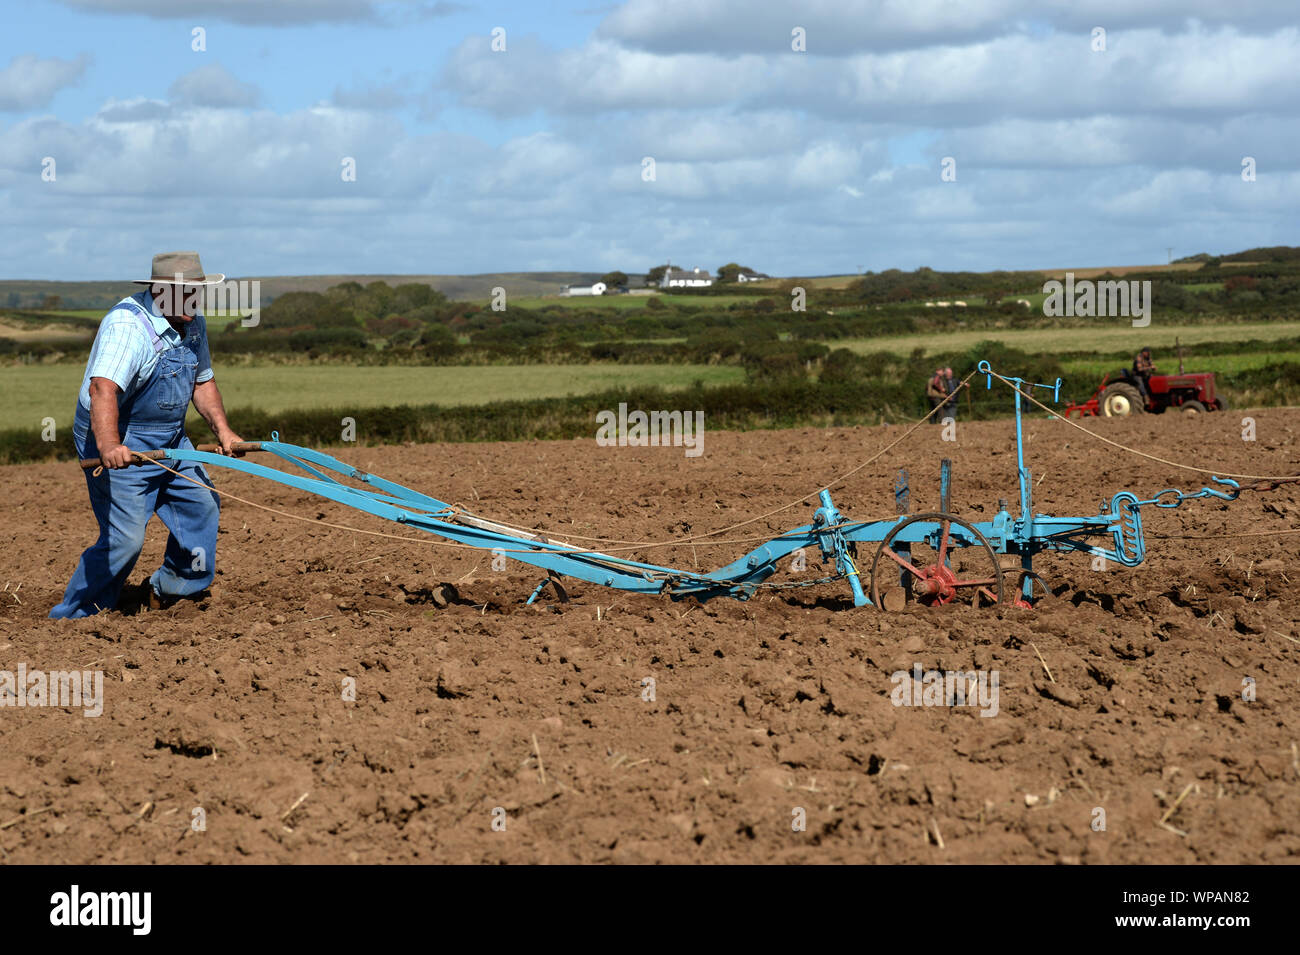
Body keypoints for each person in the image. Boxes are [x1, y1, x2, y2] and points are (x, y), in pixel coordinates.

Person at [50, 252, 245, 619]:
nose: (195, 300)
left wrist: (225, 433)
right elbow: (102, 390)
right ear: (160, 291)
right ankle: (76, 616)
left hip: (171, 438)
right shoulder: (128, 327)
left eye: (198, 291)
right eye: (186, 292)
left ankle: (170, 588)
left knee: (202, 506)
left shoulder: (192, 321)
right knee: (124, 540)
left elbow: (202, 382)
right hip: (119, 435)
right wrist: (109, 445)